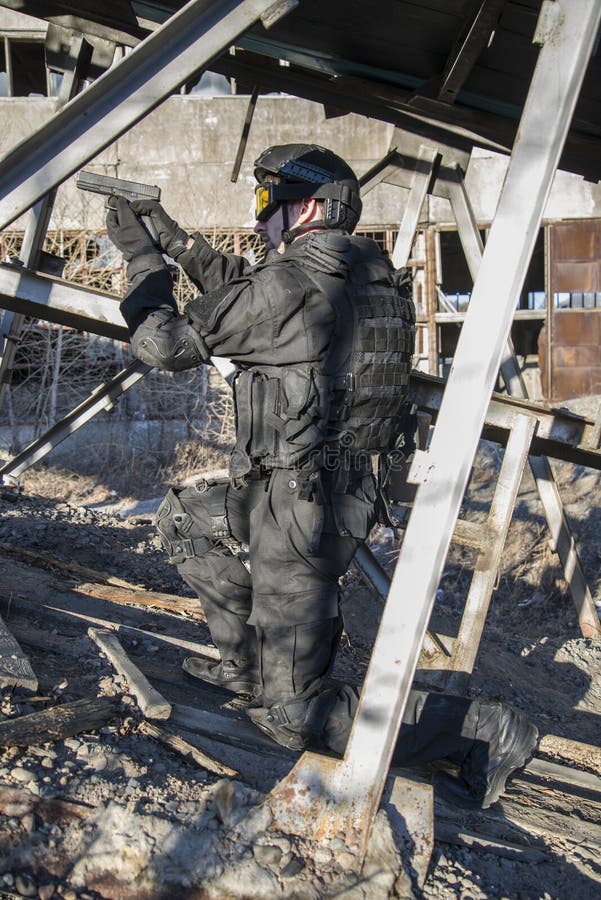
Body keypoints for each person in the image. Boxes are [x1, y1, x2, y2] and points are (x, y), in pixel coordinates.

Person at [106, 143, 538, 808]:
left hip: (300, 513)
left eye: (262, 205)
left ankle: (487, 729)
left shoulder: (293, 286)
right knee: (185, 518)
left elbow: (163, 344)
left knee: (291, 718)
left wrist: (142, 258)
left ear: (306, 206)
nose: (255, 222)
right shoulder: (357, 269)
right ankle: (241, 665)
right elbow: (243, 292)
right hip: (313, 494)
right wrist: (169, 233)